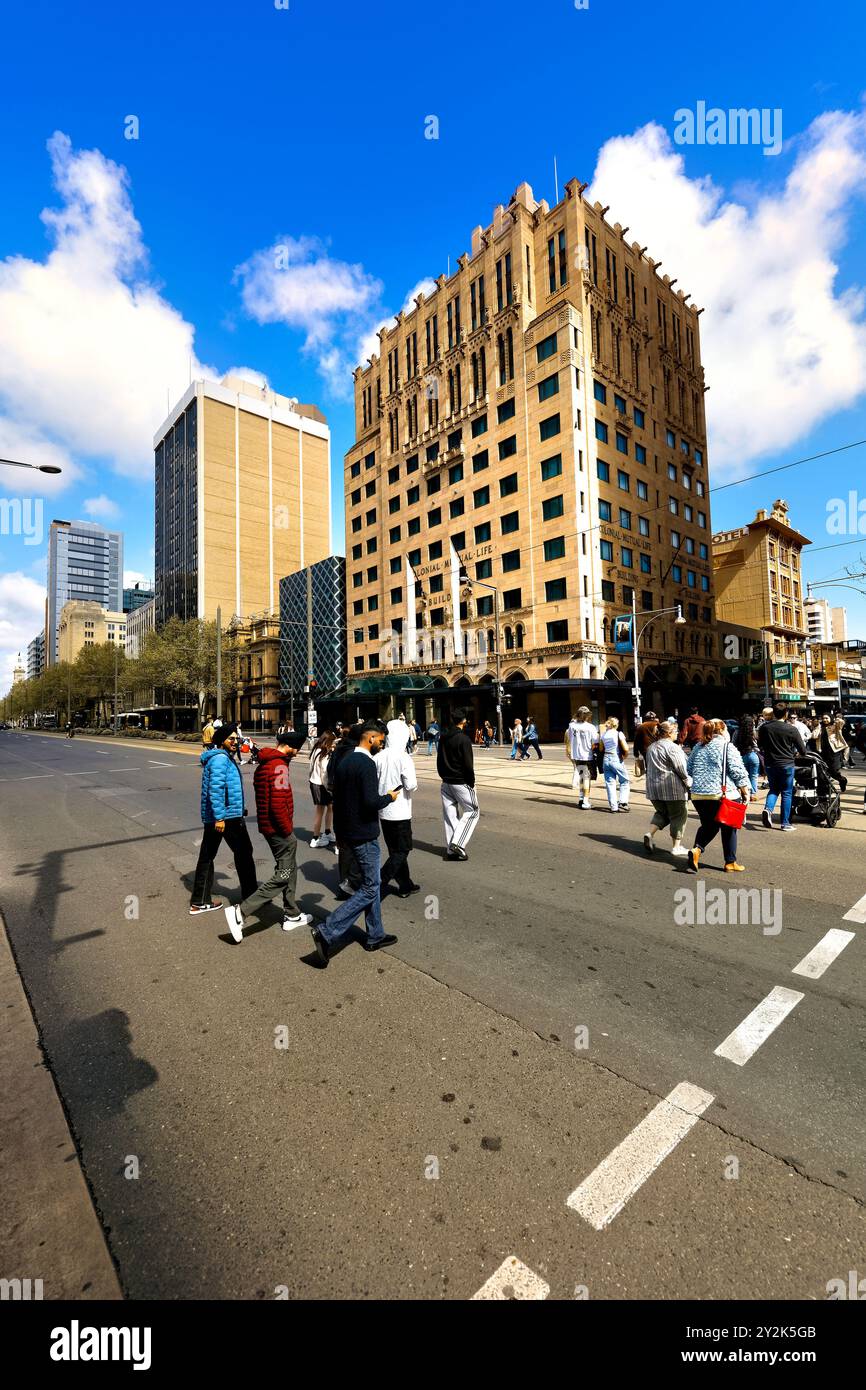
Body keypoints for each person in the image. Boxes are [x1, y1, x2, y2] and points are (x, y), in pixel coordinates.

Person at [309, 720, 400, 967]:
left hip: (347, 830)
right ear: (370, 738)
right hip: (364, 833)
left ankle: (375, 934)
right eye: (381, 739)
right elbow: (371, 802)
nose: (382, 744)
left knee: (372, 883)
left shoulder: (346, 759)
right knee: (371, 887)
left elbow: (338, 794)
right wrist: (389, 797)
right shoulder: (366, 763)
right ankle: (328, 931)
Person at [223, 732, 312, 942]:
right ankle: (241, 913)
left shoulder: (265, 762)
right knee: (283, 874)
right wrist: (287, 829)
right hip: (279, 829)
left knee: (287, 868)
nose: (297, 752)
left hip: (267, 826)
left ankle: (292, 913)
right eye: (297, 748)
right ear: (289, 746)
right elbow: (278, 803)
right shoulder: (278, 765)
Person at [189, 723, 257, 915]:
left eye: (237, 739)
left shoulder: (223, 757)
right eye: (231, 739)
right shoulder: (220, 759)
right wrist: (220, 817)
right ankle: (252, 897)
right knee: (244, 852)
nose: (235, 742)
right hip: (225, 818)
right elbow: (216, 790)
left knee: (208, 856)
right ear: (221, 741)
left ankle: (199, 901)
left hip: (223, 815)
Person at [685, 719, 750, 873]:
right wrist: (745, 790)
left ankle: (697, 850)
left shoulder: (697, 747)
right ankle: (730, 862)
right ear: (722, 730)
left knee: (709, 826)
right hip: (721, 794)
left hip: (698, 795)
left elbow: (689, 769)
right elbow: (737, 771)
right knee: (729, 828)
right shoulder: (727, 747)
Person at [376, 718, 420, 897]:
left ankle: (405, 885)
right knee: (402, 850)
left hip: (383, 811)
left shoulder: (378, 756)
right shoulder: (404, 757)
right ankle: (379, 880)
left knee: (395, 849)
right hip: (400, 811)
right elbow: (411, 785)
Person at [643, 721, 691, 857]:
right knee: (679, 815)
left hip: (653, 789)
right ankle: (676, 847)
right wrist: (688, 781)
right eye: (676, 731)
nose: (677, 734)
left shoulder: (651, 747)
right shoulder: (673, 748)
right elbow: (681, 768)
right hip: (672, 789)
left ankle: (649, 833)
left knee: (662, 813)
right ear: (669, 733)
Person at [437, 707, 479, 860]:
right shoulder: (464, 739)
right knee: (473, 811)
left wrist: (443, 775)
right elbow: (468, 764)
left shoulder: (443, 737)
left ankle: (451, 849)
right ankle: (457, 844)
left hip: (446, 781)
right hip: (460, 781)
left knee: (450, 815)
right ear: (464, 721)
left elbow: (439, 760)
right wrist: (471, 782)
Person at [758, 701, 807, 831]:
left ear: (773, 713)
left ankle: (768, 809)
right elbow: (803, 750)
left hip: (770, 764)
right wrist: (796, 754)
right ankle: (785, 823)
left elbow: (760, 745)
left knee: (773, 789)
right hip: (786, 764)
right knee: (786, 792)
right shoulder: (791, 729)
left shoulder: (764, 727)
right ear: (786, 714)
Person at [328, 721, 364, 891]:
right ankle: (353, 882)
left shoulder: (339, 750)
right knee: (355, 844)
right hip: (351, 803)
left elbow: (329, 772)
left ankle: (344, 881)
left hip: (338, 800)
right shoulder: (354, 753)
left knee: (344, 845)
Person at [565, 707, 599, 809]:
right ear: (587, 716)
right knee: (587, 779)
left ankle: (581, 798)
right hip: (587, 755)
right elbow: (596, 742)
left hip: (576, 755)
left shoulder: (571, 726)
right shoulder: (591, 727)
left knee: (581, 777)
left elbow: (570, 738)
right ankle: (585, 801)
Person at [309, 730, 337, 847]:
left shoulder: (316, 750)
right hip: (321, 784)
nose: (334, 744)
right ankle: (315, 838)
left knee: (327, 808)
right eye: (333, 742)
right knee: (322, 810)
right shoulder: (324, 753)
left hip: (314, 782)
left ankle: (326, 832)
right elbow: (324, 773)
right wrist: (330, 789)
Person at [600, 716, 631, 813]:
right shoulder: (619, 734)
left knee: (610, 783)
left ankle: (613, 807)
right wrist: (624, 756)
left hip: (606, 759)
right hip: (615, 758)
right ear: (616, 725)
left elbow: (601, 749)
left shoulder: (604, 735)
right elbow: (626, 748)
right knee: (624, 781)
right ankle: (622, 802)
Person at [809, 715, 848, 792]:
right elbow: (814, 736)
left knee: (833, 771)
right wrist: (817, 727)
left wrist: (837, 719)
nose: (825, 720)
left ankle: (842, 780)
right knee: (823, 772)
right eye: (823, 718)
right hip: (822, 752)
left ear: (831, 718)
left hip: (834, 752)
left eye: (827, 718)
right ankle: (826, 789)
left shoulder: (835, 726)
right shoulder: (819, 727)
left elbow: (841, 723)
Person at [734, 713, 760, 799]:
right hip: (753, 755)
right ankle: (753, 794)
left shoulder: (737, 732)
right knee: (754, 775)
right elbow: (756, 746)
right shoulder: (753, 733)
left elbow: (733, 744)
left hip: (742, 756)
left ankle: (746, 793)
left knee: (745, 776)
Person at [632, 710, 659, 778]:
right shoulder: (658, 725)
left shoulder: (641, 727)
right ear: (654, 717)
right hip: (657, 749)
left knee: (648, 767)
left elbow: (636, 741)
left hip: (645, 750)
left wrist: (636, 753)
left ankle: (649, 781)